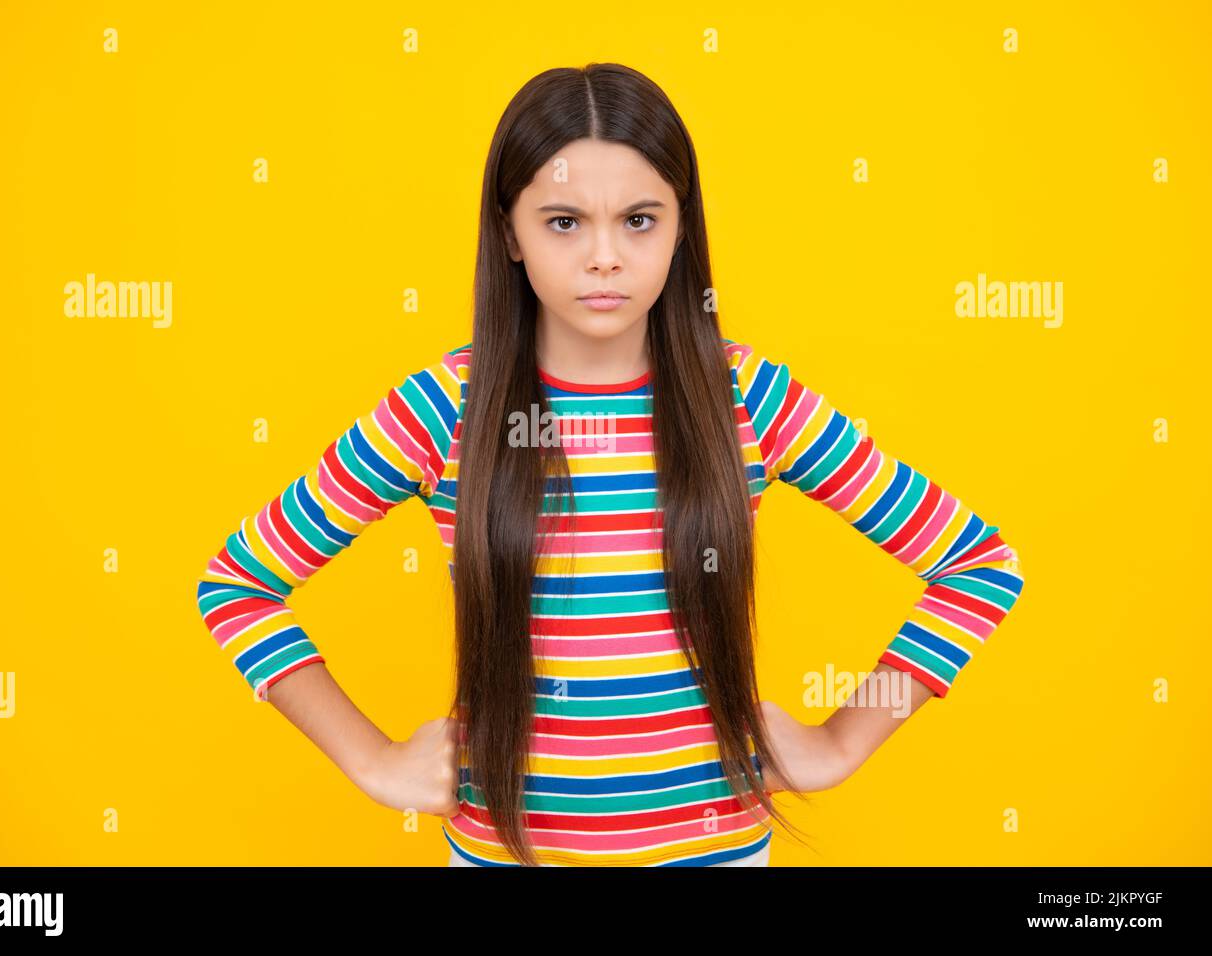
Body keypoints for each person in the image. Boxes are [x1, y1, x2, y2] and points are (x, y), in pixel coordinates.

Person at [194, 63, 1025, 868]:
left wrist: (845, 738)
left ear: (679, 228)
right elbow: (237, 585)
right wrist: (371, 761)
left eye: (638, 220)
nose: (604, 257)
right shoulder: (446, 407)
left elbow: (979, 565)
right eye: (563, 221)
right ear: (510, 234)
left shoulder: (752, 400)